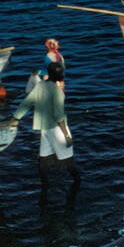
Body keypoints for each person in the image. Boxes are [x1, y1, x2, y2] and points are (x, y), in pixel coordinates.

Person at [13, 62, 81, 190]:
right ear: (60, 75)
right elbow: (59, 115)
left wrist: (15, 117)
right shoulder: (57, 91)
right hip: (57, 129)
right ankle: (78, 183)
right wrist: (67, 136)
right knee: (69, 162)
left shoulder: (40, 86)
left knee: (43, 160)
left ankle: (44, 186)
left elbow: (26, 103)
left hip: (44, 128)